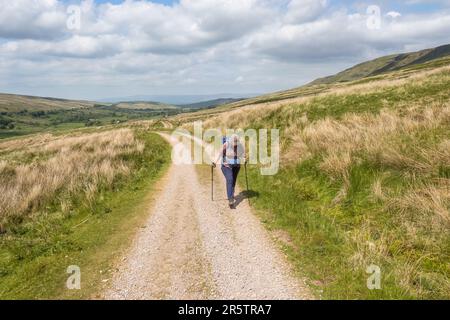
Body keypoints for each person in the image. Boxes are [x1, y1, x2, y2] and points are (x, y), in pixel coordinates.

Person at [213, 134, 246, 209]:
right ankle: (230, 200)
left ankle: (231, 191)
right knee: (230, 179)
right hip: (226, 166)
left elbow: (243, 155)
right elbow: (219, 153)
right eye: (233, 144)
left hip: (236, 166)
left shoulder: (240, 146)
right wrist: (214, 162)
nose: (234, 145)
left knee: (233, 181)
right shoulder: (226, 145)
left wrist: (244, 159)